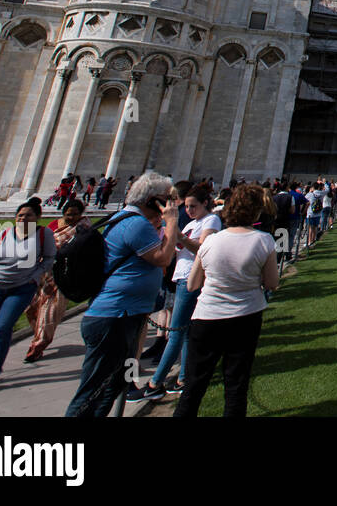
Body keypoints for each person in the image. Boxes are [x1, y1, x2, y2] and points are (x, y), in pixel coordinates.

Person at [65, 172, 180, 418]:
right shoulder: (135, 223)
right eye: (165, 199)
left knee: (113, 386)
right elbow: (163, 258)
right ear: (152, 200)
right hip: (114, 316)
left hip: (127, 315)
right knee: (91, 392)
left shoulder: (131, 221)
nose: (170, 204)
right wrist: (171, 222)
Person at [174, 183, 279, 417]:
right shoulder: (263, 241)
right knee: (236, 385)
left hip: (207, 316)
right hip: (245, 316)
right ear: (256, 212)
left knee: (194, 385)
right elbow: (272, 283)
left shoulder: (210, 241)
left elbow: (192, 284)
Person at [130, 185, 221, 402]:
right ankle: (183, 378)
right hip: (180, 278)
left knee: (176, 332)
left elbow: (202, 249)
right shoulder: (191, 223)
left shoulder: (211, 221)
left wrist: (178, 236)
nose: (188, 210)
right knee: (186, 332)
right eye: (186, 206)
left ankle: (155, 382)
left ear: (206, 203)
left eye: (193, 206)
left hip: (191, 280)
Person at [0, 198, 56, 394]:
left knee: (2, 329)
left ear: (37, 217)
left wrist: (35, 277)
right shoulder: (5, 233)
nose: (23, 218)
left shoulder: (43, 235)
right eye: (20, 215)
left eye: (28, 215)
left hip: (21, 289)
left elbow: (49, 258)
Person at [23, 199, 90, 363]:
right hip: (42, 273)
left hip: (63, 276)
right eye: (69, 214)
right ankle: (39, 334)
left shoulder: (84, 229)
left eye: (75, 214)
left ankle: (37, 346)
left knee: (49, 313)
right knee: (30, 308)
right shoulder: (54, 224)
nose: (71, 218)